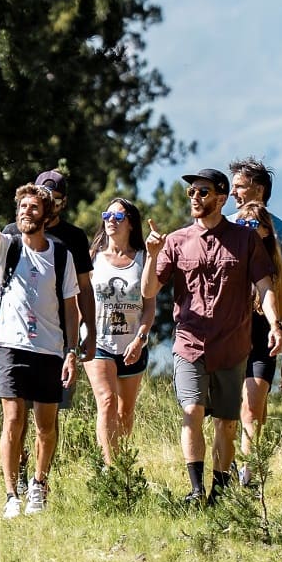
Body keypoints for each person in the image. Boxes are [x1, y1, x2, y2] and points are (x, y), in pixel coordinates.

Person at [0, 175, 86, 517]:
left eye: (33, 207)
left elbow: (70, 306)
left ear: (46, 213)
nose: (25, 212)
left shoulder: (62, 255)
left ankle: (39, 483)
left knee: (46, 426)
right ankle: (11, 495)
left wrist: (71, 351)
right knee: (12, 420)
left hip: (50, 349)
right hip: (11, 345)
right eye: (22, 206)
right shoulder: (9, 246)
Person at [153, 167, 282, 503]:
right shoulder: (177, 240)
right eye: (191, 193)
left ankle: (220, 490)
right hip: (189, 343)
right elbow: (150, 288)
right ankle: (196, 489)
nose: (195, 198)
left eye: (203, 192)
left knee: (227, 423)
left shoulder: (245, 241)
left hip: (232, 346)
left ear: (222, 198)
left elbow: (265, 286)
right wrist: (152, 256)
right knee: (192, 409)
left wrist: (275, 324)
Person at [230, 158, 282, 483]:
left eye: (239, 187)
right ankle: (231, 460)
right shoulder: (225, 228)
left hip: (266, 328)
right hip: (231, 331)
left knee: (253, 403)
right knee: (235, 407)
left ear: (258, 189)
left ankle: (247, 470)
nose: (233, 194)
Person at [84, 198, 162, 463]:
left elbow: (150, 306)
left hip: (133, 342)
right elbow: (79, 297)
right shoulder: (93, 258)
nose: (110, 221)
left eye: (117, 217)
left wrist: (140, 339)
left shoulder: (143, 258)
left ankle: (122, 466)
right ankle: (109, 470)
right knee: (106, 401)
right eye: (107, 215)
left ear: (131, 223)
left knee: (125, 411)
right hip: (98, 342)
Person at [32, 168, 99, 403]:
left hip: (59, 335)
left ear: (65, 202)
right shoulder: (15, 231)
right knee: (15, 414)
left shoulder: (75, 237)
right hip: (20, 333)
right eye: (44, 197)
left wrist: (89, 330)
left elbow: (85, 287)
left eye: (55, 199)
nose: (49, 204)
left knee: (50, 412)